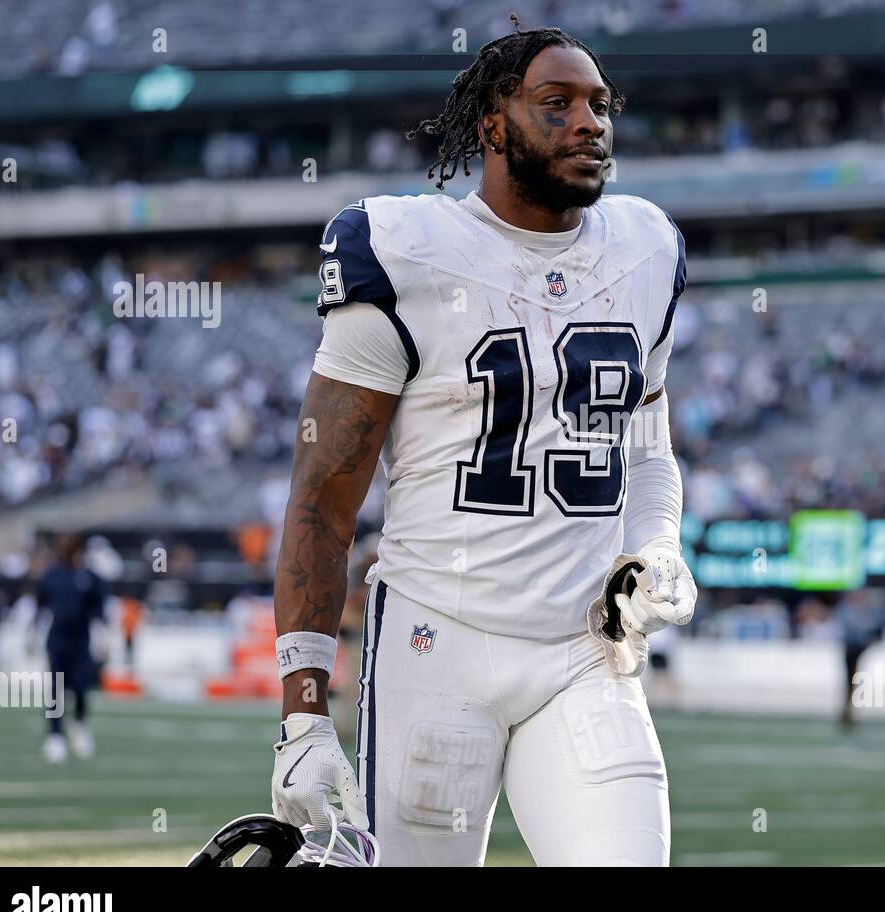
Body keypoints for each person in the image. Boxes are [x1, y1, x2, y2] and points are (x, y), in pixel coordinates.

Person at [270, 19, 695, 866]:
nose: (591, 123)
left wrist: (654, 547)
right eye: (558, 102)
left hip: (584, 651)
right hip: (438, 647)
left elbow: (646, 444)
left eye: (601, 105)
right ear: (493, 123)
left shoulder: (647, 247)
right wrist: (303, 715)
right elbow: (324, 496)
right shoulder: (402, 249)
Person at [36, 534, 105, 762]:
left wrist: (102, 635)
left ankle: (80, 723)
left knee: (81, 686)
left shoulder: (88, 577)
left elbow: (99, 608)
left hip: (81, 639)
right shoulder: (53, 575)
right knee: (55, 689)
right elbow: (40, 605)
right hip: (58, 638)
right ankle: (55, 735)